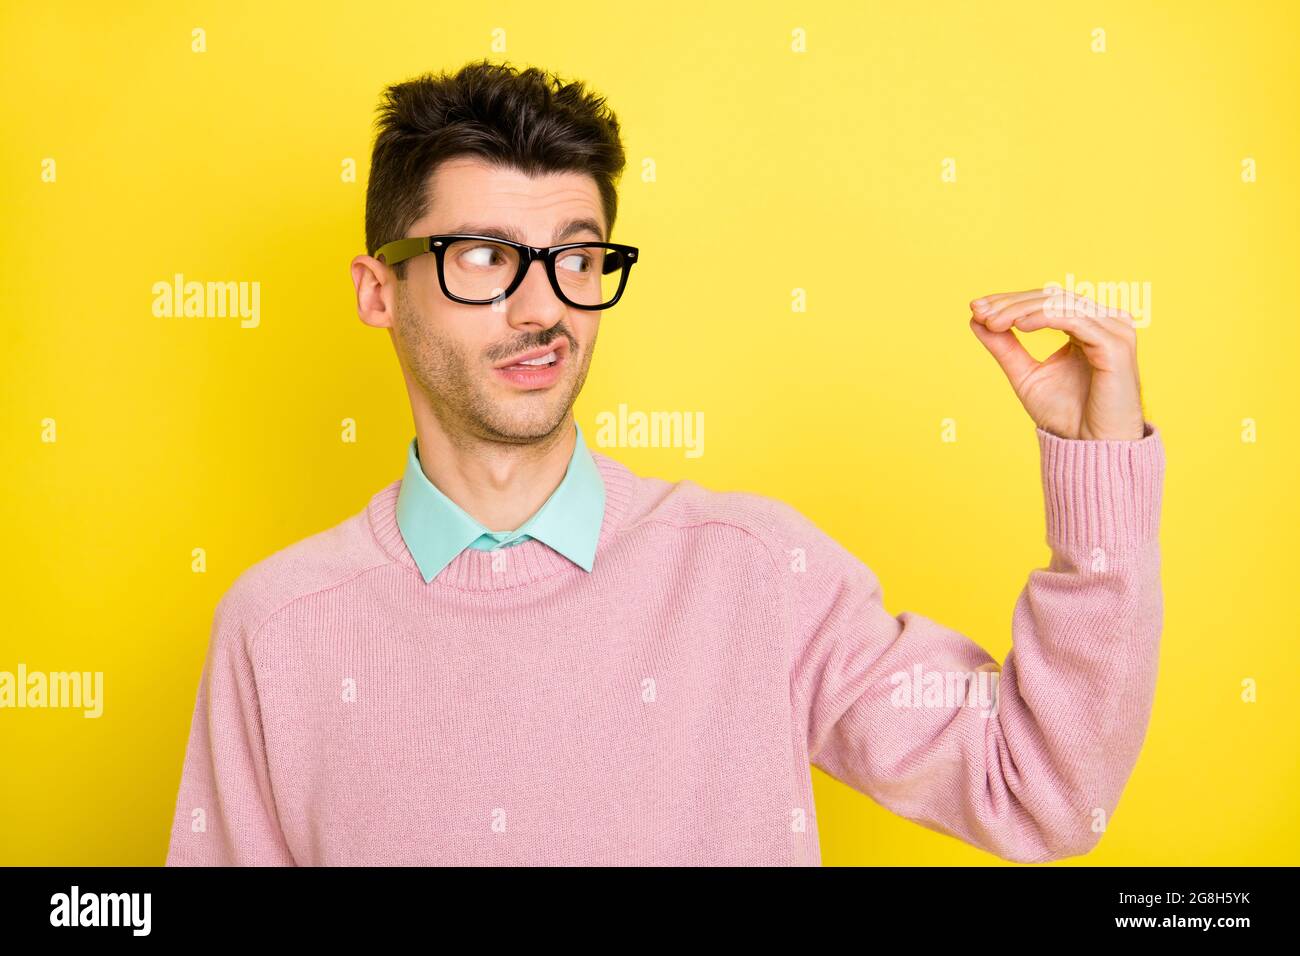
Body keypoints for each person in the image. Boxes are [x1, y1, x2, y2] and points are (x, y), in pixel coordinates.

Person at [165, 58, 1165, 866]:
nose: (542, 306)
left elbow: (1043, 794)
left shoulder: (756, 571)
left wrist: (1097, 474)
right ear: (378, 288)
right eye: (481, 255)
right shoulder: (278, 628)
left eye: (577, 254)